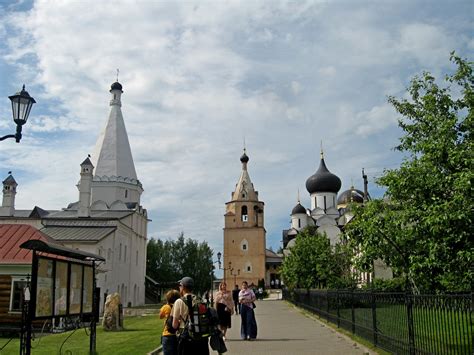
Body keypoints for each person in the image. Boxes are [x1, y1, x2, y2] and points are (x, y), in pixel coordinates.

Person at [171, 277, 209, 355]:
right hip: (201, 338)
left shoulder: (179, 301)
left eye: (180, 286)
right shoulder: (200, 300)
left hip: (186, 338)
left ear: (183, 287)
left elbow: (174, 325)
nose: (179, 288)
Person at [159, 289, 181, 355]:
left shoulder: (166, 307)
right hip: (178, 334)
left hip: (167, 334)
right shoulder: (179, 306)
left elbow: (160, 316)